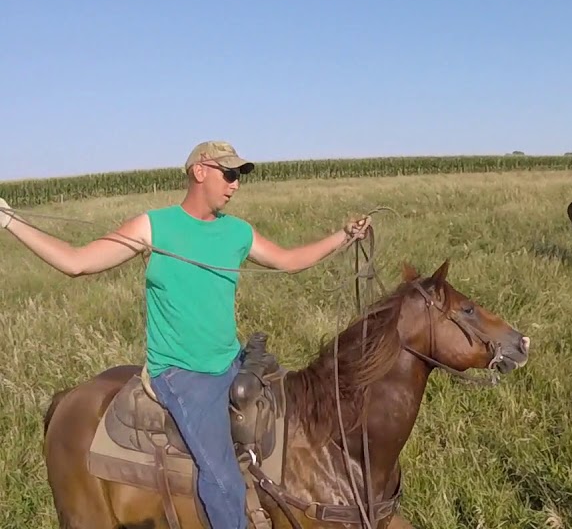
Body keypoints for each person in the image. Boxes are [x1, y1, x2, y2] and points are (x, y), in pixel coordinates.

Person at [0, 140, 371, 529]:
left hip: (231, 360)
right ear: (200, 171)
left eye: (239, 176)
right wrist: (11, 221)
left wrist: (343, 236)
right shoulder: (153, 226)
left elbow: (288, 261)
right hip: (183, 375)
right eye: (229, 174)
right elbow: (76, 262)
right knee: (223, 483)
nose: (235, 184)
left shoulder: (237, 231)